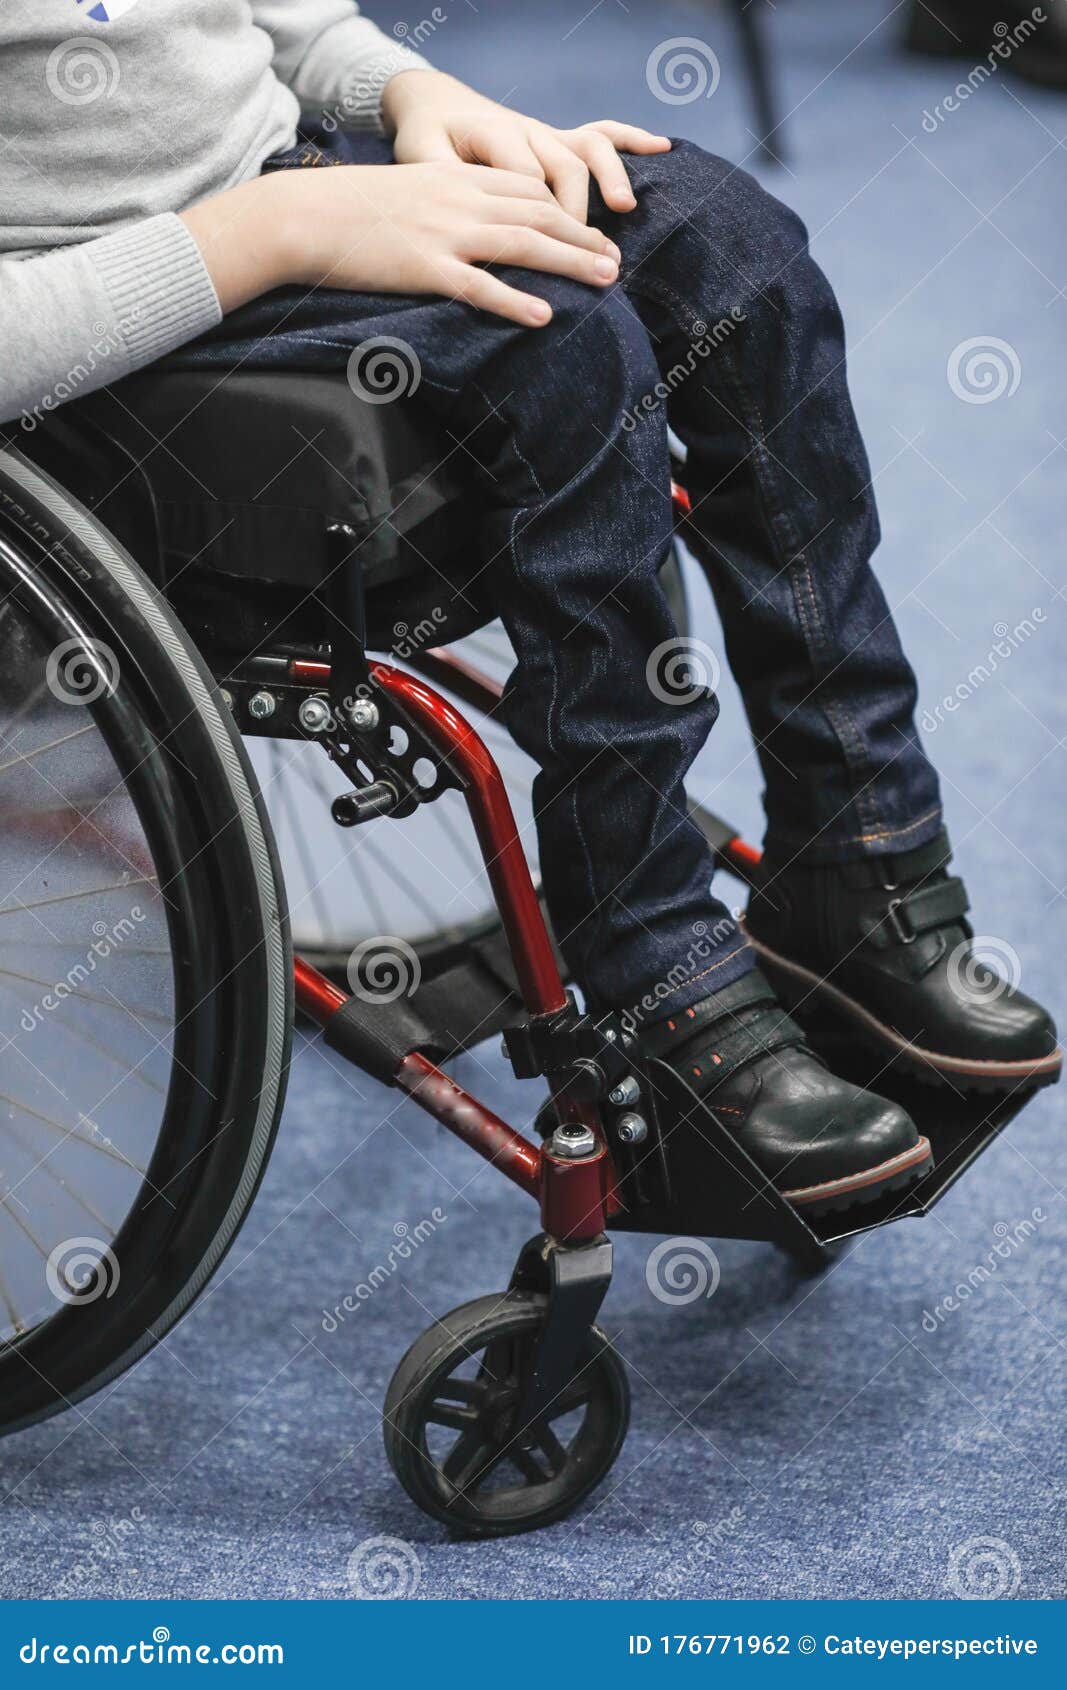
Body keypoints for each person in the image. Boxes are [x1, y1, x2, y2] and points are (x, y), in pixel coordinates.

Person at [1, 3, 1059, 1217]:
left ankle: (855, 854)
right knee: (555, 343)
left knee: (725, 242)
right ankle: (653, 971)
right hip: (107, 358)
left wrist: (403, 93)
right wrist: (273, 228)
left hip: (286, 199)